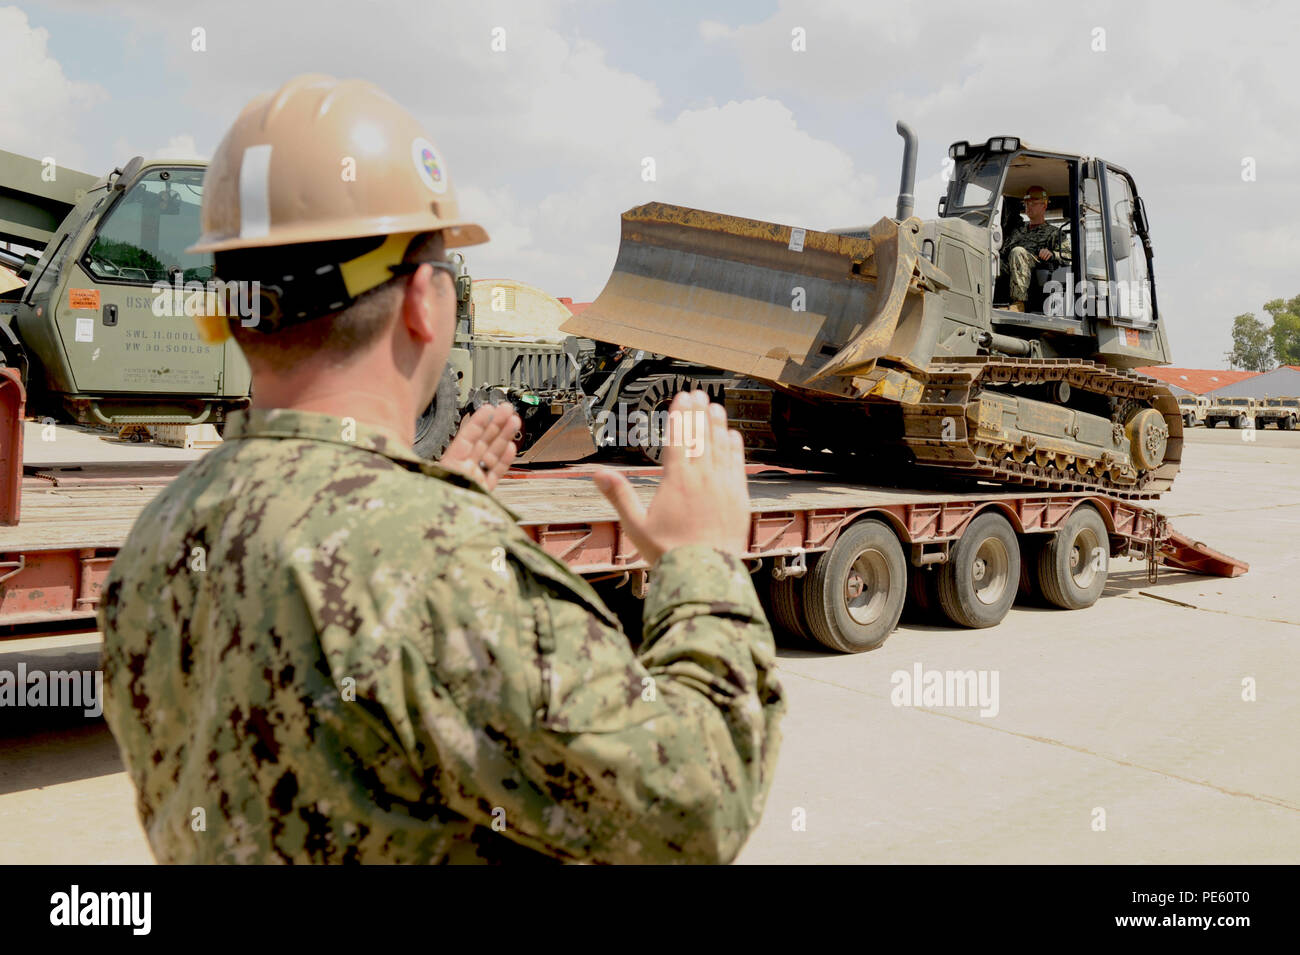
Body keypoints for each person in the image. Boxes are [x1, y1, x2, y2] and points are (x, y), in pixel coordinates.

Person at [98, 74, 785, 864]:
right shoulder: (443, 567)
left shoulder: (158, 536)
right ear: (425, 301)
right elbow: (699, 805)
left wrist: (430, 503)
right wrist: (702, 563)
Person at [1002, 185, 1071, 312]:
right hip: (1012, 263)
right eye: (1026, 203)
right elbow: (1003, 251)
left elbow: (1068, 256)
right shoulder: (1018, 231)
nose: (1028, 207)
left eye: (1033, 203)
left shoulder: (1054, 233)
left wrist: (1052, 253)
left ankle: (1019, 303)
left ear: (1044, 206)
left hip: (1035, 264)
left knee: (1018, 252)